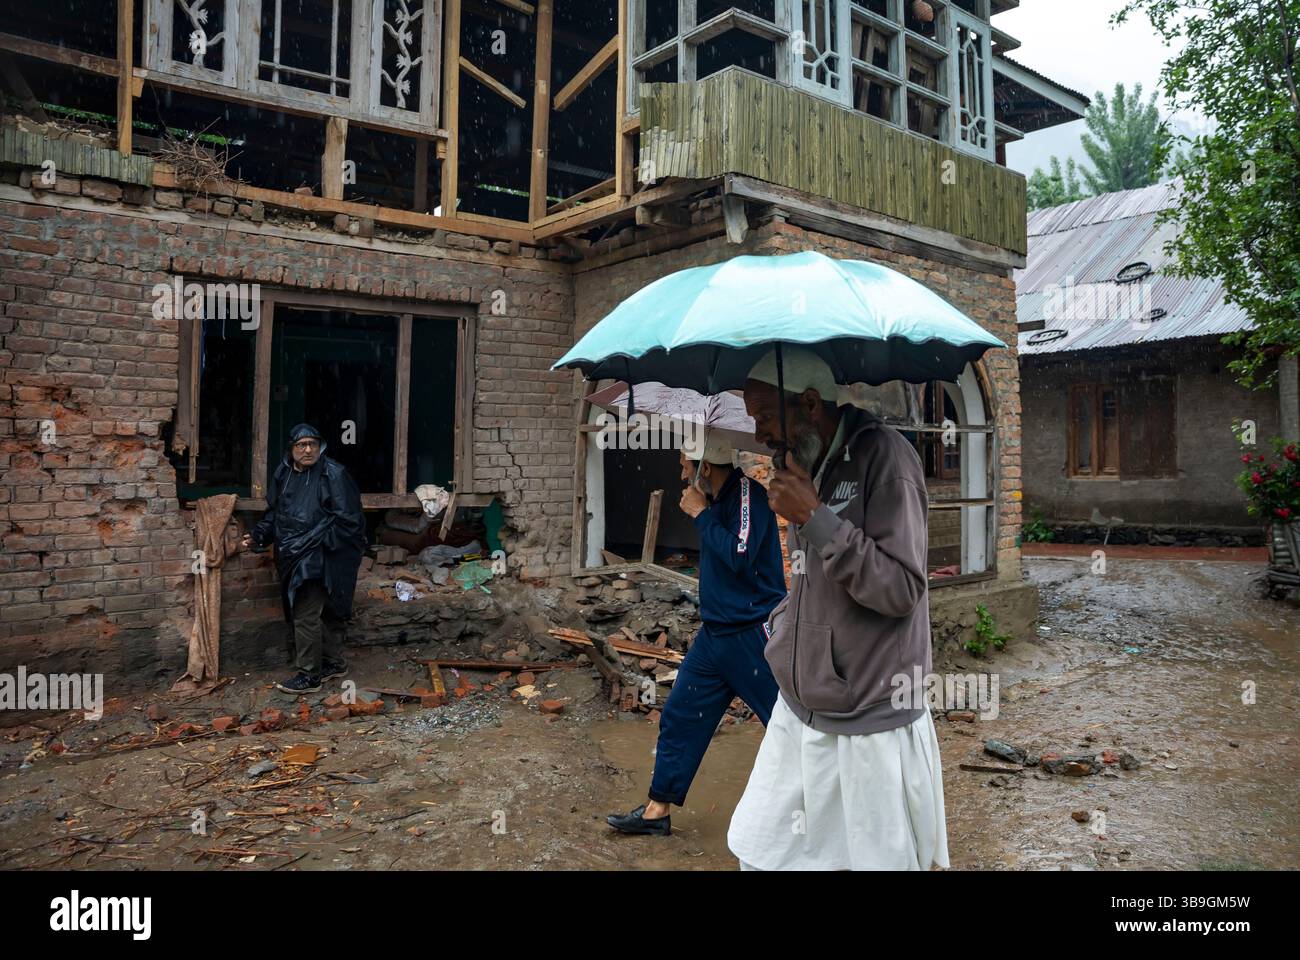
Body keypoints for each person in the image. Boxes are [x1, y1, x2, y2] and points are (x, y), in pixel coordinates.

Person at [727, 346, 949, 871]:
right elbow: (815, 579)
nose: (759, 435)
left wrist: (817, 516)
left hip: (868, 716)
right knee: (761, 855)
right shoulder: (808, 464)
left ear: (808, 404)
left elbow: (900, 589)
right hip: (802, 703)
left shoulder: (886, 458)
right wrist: (785, 628)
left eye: (764, 415)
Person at [606, 436, 786, 836]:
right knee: (681, 716)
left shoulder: (747, 497)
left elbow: (740, 555)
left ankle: (829, 810)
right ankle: (657, 811)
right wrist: (705, 513)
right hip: (715, 636)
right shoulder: (718, 500)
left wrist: (702, 515)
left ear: (704, 467)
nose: (681, 473)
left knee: (787, 724)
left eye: (685, 465)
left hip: (752, 635)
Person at [240, 423, 367, 694]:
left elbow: (351, 521)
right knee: (320, 611)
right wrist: (261, 535)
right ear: (292, 449)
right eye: (301, 445)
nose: (308, 449)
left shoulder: (334, 474)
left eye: (312, 444)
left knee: (306, 614)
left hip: (323, 554)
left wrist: (319, 544)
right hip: (292, 553)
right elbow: (276, 512)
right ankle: (334, 663)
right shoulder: (283, 473)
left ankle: (310, 675)